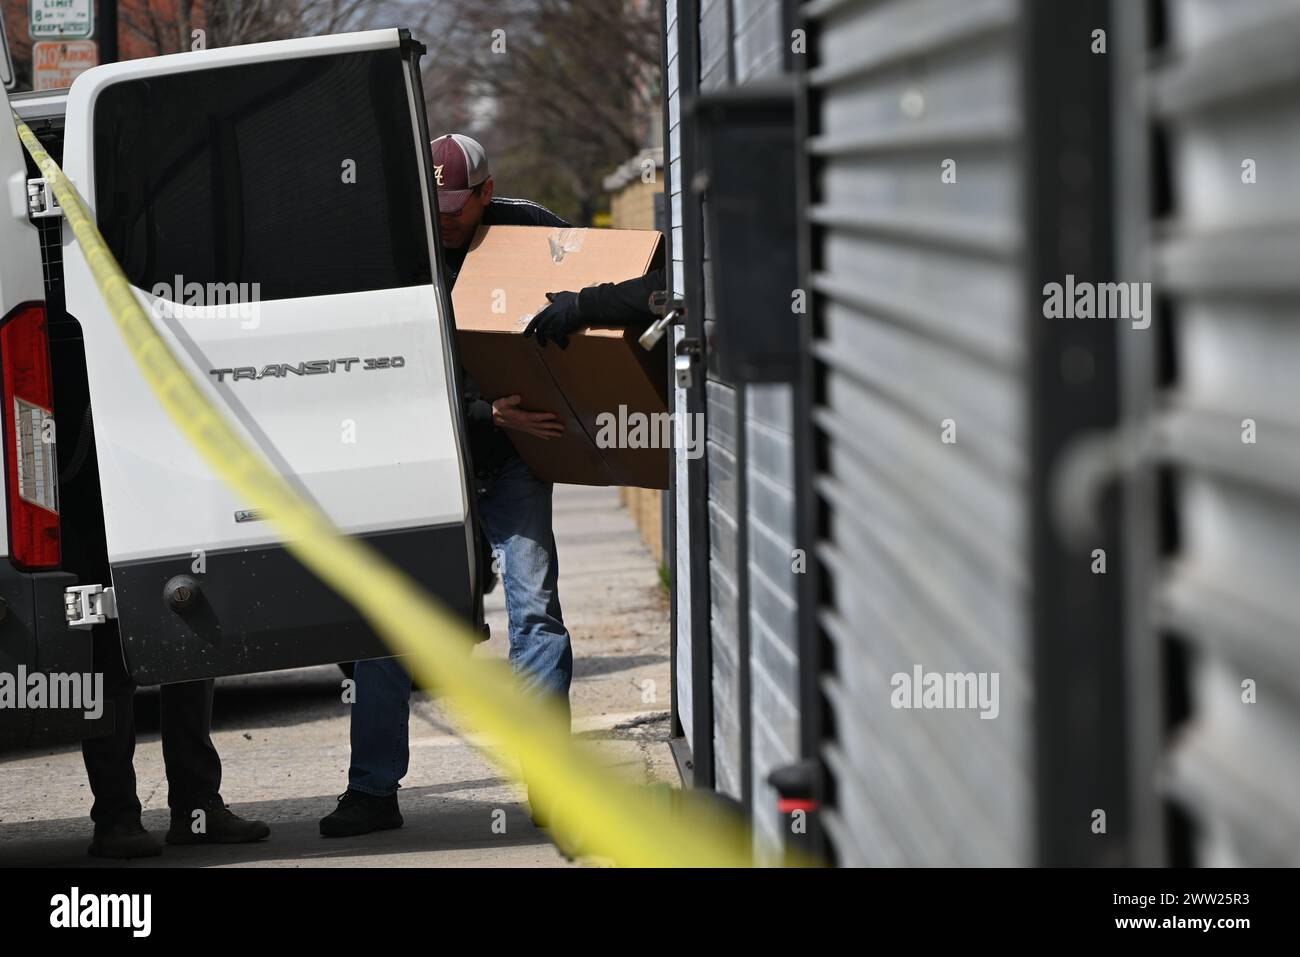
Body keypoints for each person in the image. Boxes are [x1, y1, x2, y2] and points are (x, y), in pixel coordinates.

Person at [320, 134, 575, 837]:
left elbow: (595, 277)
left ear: (487, 194)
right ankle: (372, 790)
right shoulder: (398, 246)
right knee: (392, 624)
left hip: (513, 462)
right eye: (435, 207)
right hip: (427, 460)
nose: (445, 220)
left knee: (536, 616)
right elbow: (388, 367)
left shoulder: (529, 227)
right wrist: (482, 410)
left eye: (457, 208)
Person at [63, 408, 269, 859]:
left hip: (167, 489)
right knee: (108, 661)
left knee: (190, 647)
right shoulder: (73, 348)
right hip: (92, 503)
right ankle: (116, 818)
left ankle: (196, 809)